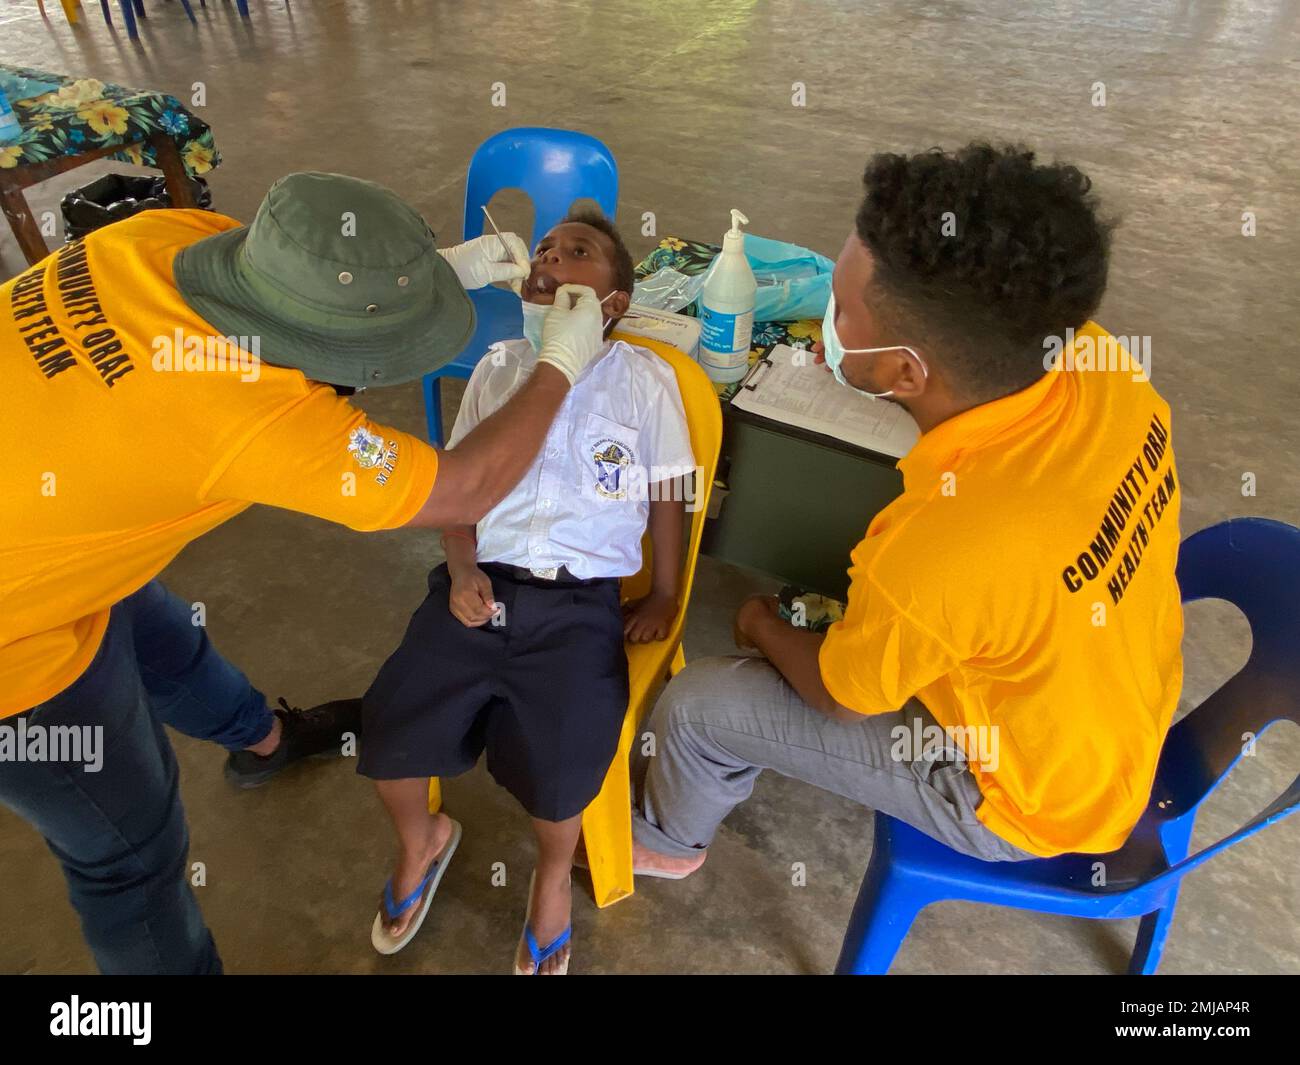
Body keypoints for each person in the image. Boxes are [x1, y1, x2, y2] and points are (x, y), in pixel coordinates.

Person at [0, 171, 609, 974]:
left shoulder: (161, 239)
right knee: (128, 860)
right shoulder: (265, 417)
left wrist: (433, 277)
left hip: (50, 529)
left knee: (157, 634)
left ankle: (266, 740)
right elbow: (467, 486)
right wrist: (561, 363)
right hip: (18, 647)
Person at [626, 144, 1184, 880]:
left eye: (843, 308)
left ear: (907, 370)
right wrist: (872, 367)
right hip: (1111, 701)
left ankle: (665, 842)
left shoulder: (944, 550)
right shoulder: (1097, 361)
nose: (828, 313)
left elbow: (838, 695)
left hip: (1026, 797)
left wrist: (756, 620)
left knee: (697, 709)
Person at [359, 210, 695, 974]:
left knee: (568, 752)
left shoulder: (646, 380)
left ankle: (551, 875)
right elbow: (454, 487)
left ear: (612, 303)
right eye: (544, 251)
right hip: (481, 588)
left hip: (580, 607)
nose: (551, 259)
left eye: (580, 254)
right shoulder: (500, 366)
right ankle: (423, 841)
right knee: (391, 722)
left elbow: (670, 492)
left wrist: (666, 594)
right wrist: (464, 566)